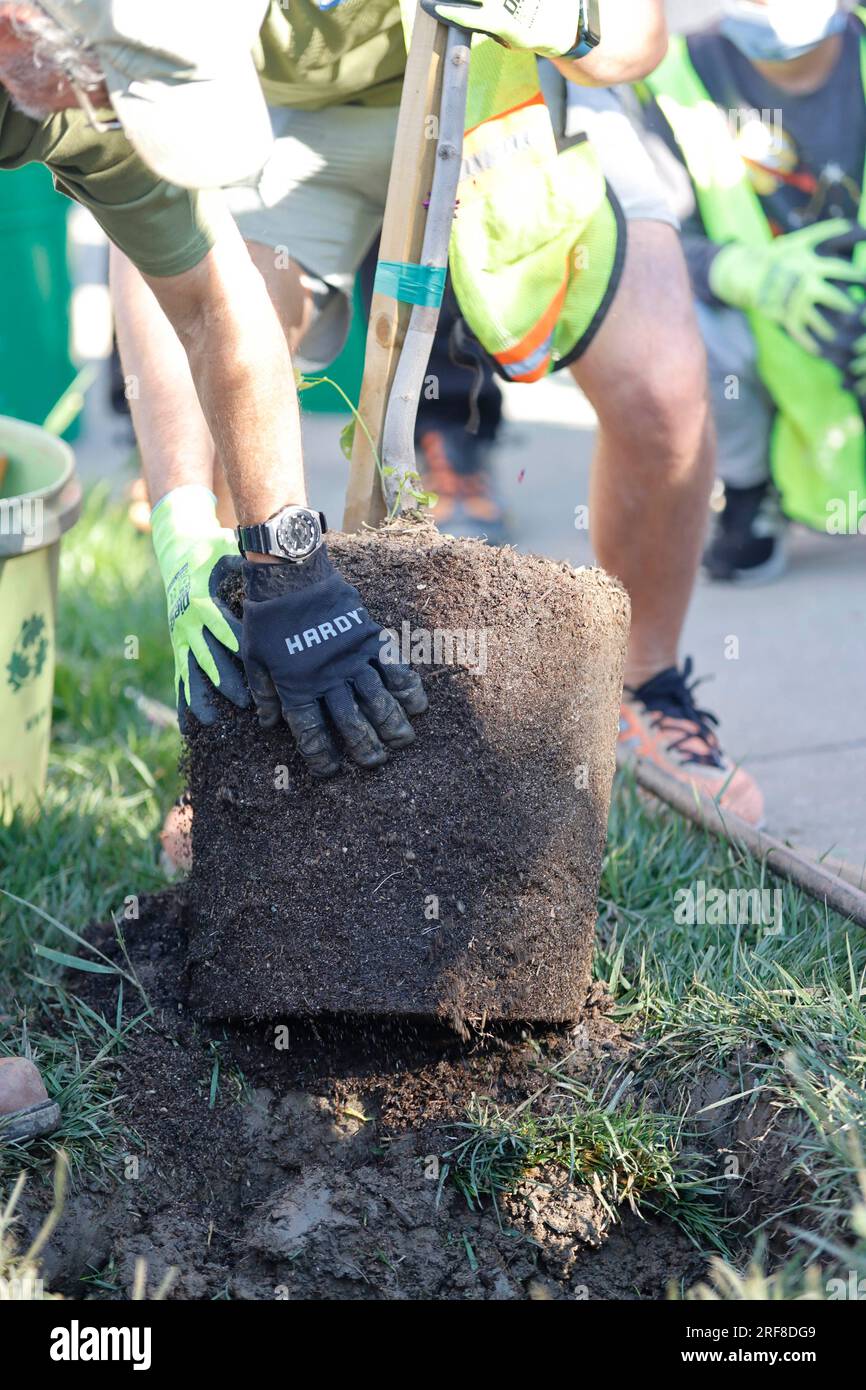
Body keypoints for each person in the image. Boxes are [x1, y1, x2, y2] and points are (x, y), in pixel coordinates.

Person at [109, 0, 764, 824]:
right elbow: (146, 204)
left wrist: (541, 14)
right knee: (217, 400)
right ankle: (245, 730)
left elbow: (637, 36)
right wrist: (181, 518)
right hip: (282, 107)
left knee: (661, 391)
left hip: (508, 81)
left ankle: (645, 692)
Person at [637, 0, 866, 583]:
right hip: (751, 310)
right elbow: (649, 237)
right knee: (671, 319)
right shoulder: (673, 76)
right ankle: (749, 488)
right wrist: (746, 275)